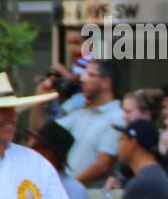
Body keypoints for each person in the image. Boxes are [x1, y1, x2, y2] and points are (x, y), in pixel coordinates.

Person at [45, 59, 126, 188]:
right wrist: (42, 98)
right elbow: (43, 133)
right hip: (72, 194)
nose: (82, 79)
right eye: (84, 74)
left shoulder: (117, 116)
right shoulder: (80, 114)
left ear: (106, 82)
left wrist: (69, 186)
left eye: (91, 75)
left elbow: (103, 164)